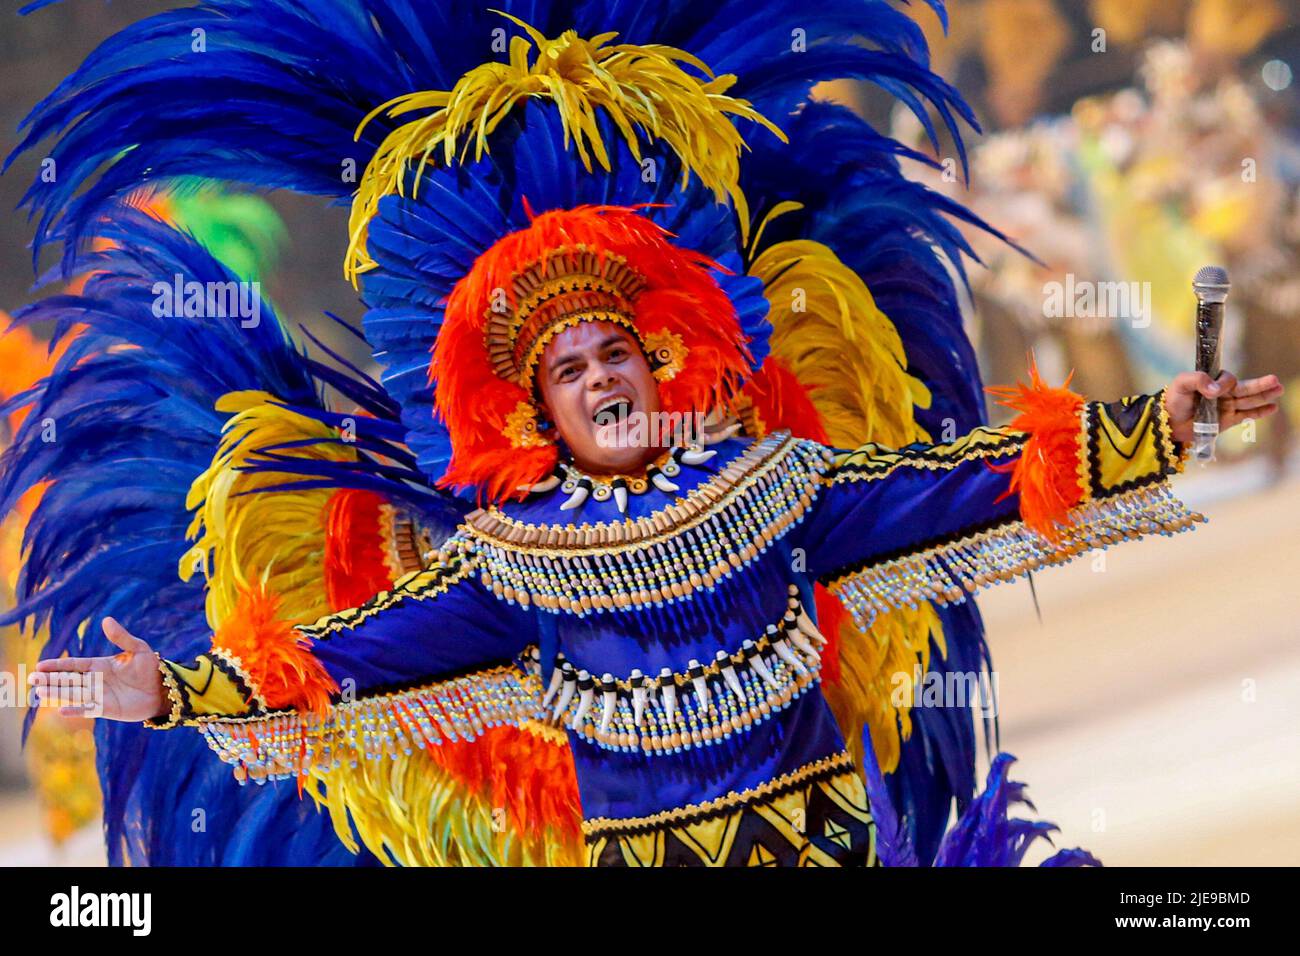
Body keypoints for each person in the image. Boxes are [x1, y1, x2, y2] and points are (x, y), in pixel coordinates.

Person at [7, 0, 1283, 868]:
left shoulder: (776, 489)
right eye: (569, 367)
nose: (602, 375)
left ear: (661, 354)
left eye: (617, 348)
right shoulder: (512, 566)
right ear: (531, 408)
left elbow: (975, 486)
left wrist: (1158, 425)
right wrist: (173, 690)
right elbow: (349, 663)